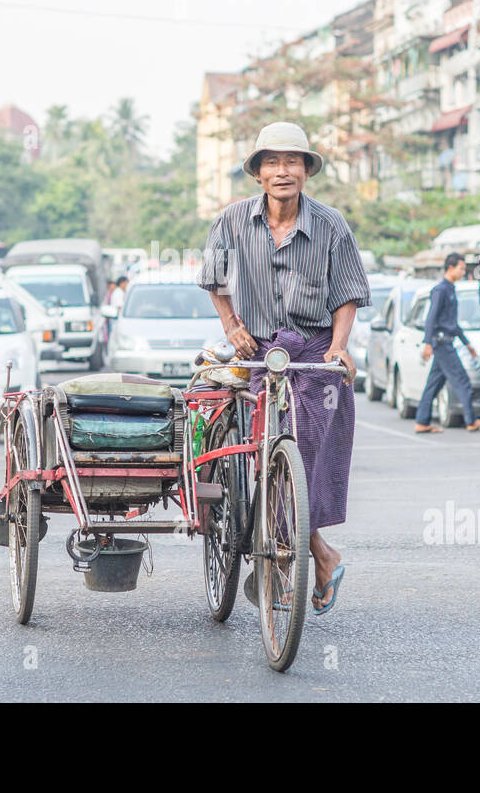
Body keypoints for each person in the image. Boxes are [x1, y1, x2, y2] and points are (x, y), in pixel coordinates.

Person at [197, 121, 369, 616]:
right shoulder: (230, 222)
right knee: (260, 451)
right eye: (271, 162)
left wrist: (338, 347)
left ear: (306, 171)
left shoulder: (331, 224)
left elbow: (348, 294)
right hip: (260, 352)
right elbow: (214, 279)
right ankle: (319, 554)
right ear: (257, 174)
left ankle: (295, 553)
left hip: (313, 353)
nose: (282, 171)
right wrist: (232, 326)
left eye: (292, 161)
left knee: (303, 453)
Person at [414, 252, 480, 434]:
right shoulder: (440, 290)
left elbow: (452, 323)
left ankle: (421, 421)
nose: (463, 272)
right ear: (450, 268)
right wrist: (427, 343)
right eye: (461, 269)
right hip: (441, 343)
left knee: (433, 384)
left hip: (447, 340)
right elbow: (431, 318)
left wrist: (467, 343)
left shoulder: (451, 289)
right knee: (462, 380)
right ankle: (471, 420)